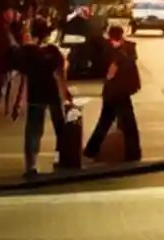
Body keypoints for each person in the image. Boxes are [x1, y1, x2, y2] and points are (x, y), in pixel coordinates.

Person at [14, 17, 71, 177]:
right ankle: (63, 158)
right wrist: (65, 93)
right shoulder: (53, 51)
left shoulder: (27, 52)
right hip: (52, 93)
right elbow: (60, 74)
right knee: (60, 127)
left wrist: (19, 102)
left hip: (35, 94)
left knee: (33, 130)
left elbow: (24, 78)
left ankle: (31, 166)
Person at [84, 25, 142, 162]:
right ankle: (132, 153)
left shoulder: (107, 49)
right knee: (128, 123)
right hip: (121, 91)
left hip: (112, 91)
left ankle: (91, 150)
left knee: (105, 120)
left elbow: (106, 72)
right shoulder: (127, 48)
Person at [0, 8, 21, 106]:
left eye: (12, 14)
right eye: (9, 14)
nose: (11, 16)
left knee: (5, 77)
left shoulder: (10, 26)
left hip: (8, 56)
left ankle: (0, 96)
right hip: (4, 55)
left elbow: (14, 38)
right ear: (4, 15)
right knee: (2, 77)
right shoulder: (2, 27)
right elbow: (4, 42)